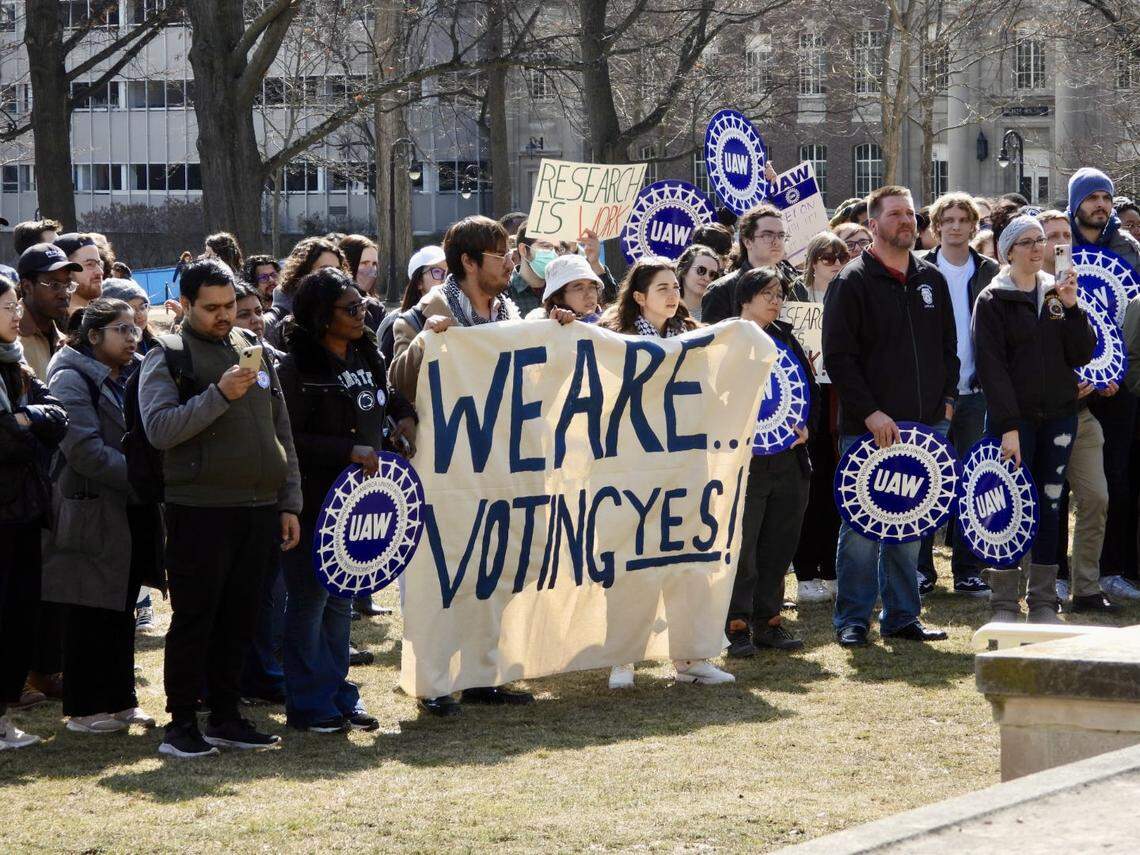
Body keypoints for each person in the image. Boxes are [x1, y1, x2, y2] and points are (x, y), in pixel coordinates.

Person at [391, 215, 559, 714]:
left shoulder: (513, 314)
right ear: (467, 262)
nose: (512, 263)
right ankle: (435, 681)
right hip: (450, 475)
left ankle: (485, 673)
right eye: (500, 255)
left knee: (502, 567)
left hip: (507, 466)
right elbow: (395, 385)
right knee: (449, 572)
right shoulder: (421, 317)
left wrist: (558, 333)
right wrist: (426, 344)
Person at [138, 258, 302, 758]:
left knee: (241, 618)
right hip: (199, 509)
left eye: (231, 305)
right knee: (195, 618)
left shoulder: (253, 350)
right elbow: (161, 429)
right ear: (185, 306)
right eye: (211, 308)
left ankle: (227, 716)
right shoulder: (166, 356)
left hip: (258, 507)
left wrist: (289, 500)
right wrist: (219, 394)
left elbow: (281, 431)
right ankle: (182, 723)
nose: (225, 316)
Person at [277, 268, 416, 732]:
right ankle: (308, 702)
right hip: (313, 499)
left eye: (363, 306)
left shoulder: (366, 352)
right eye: (350, 309)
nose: (362, 314)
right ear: (320, 315)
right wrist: (346, 450)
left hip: (358, 502)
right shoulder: (295, 367)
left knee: (339, 600)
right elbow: (288, 436)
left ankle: (339, 694)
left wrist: (402, 418)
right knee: (309, 602)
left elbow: (385, 394)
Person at [822, 185, 958, 647]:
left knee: (911, 525)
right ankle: (853, 619)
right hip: (869, 429)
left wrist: (947, 402)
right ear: (873, 224)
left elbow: (948, 348)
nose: (907, 221)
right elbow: (840, 359)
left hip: (925, 427)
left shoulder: (931, 279)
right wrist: (871, 412)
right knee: (861, 529)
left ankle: (902, 616)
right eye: (895, 214)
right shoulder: (851, 282)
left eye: (910, 214)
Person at [597, 258, 732, 685]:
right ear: (639, 297)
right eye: (663, 288)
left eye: (676, 286)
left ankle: (690, 658)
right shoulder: (611, 339)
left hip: (684, 467)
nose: (674, 294)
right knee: (630, 559)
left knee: (687, 561)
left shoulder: (692, 337)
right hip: (631, 469)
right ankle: (624, 657)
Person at [43, 298, 162, 733]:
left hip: (125, 510)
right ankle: (85, 709)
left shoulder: (130, 372)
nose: (133, 338)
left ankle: (121, 701)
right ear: (94, 336)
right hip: (89, 510)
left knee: (120, 609)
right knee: (88, 611)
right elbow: (84, 451)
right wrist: (145, 477)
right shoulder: (70, 377)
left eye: (134, 329)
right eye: (121, 330)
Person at [972, 215, 1095, 623]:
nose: (1036, 247)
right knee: (1007, 505)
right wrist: (1008, 426)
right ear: (1009, 251)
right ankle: (1004, 601)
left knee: (1051, 504)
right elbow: (992, 368)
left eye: (1040, 240)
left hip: (1059, 416)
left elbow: (1081, 353)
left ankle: (1043, 600)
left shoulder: (1057, 295)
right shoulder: (994, 299)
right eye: (1026, 242)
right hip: (1015, 421)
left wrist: (1074, 306)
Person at [726, 268, 817, 655]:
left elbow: (805, 388)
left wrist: (805, 428)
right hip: (745, 463)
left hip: (788, 457)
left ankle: (769, 621)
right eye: (766, 293)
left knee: (779, 544)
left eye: (778, 293)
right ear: (744, 299)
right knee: (744, 548)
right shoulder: (727, 340)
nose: (775, 300)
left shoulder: (786, 336)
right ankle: (737, 626)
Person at [915, 192, 1000, 597]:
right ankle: (921, 570)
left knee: (971, 481)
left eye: (962, 219)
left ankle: (968, 570)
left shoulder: (991, 271)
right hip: (930, 394)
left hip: (978, 392)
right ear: (936, 227)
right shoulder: (917, 269)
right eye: (946, 219)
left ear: (973, 225)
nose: (954, 226)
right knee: (926, 482)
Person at [0, 276, 68, 749]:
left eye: (15, 304)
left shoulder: (16, 363)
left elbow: (57, 414)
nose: (16, 313)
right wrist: (24, 425)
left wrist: (25, 420)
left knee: (19, 616)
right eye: (6, 306)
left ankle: (3, 719)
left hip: (24, 510)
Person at [1068, 170, 1140, 607]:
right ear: (1076, 202)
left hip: (1120, 383)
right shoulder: (1055, 244)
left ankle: (1112, 570)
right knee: (1058, 480)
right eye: (1092, 197)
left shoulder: (1129, 249)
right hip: (1068, 382)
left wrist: (1118, 374)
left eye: (1105, 198)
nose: (1100, 205)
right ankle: (1057, 574)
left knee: (1117, 479)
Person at [1037, 211, 1115, 611]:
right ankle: (1038, 589)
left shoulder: (1084, 289)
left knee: (1096, 497)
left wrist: (1102, 377)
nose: (1060, 243)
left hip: (1082, 415)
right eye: (1052, 236)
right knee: (1041, 505)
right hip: (1038, 418)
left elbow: (1098, 348)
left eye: (1066, 235)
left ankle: (1085, 588)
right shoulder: (1016, 290)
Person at [786, 232, 848, 604]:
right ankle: (806, 572)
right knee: (812, 486)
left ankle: (833, 569)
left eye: (841, 257)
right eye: (827, 258)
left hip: (841, 399)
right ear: (812, 262)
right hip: (808, 398)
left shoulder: (852, 295)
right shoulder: (794, 298)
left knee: (837, 488)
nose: (836, 264)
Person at [701, 204, 796, 324]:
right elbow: (715, 341)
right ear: (747, 242)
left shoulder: (795, 286)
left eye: (781, 235)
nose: (776, 241)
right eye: (767, 235)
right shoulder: (721, 290)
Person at [510, 224, 616, 317]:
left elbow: (613, 305)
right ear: (523, 250)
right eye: (546, 246)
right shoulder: (505, 294)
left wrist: (594, 263)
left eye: (557, 249)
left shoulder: (566, 284)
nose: (554, 254)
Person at [264, 237, 346, 349]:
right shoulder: (272, 324)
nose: (334, 276)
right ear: (302, 274)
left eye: (338, 270)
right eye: (325, 270)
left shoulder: (345, 317)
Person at [17, 243, 82, 380]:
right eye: (55, 285)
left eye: (68, 285)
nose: (64, 294)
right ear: (27, 287)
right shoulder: (9, 341)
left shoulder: (64, 341)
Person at [527, 254, 604, 321]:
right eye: (579, 288)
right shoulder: (538, 324)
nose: (589, 294)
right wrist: (554, 328)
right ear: (557, 298)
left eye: (592, 287)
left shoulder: (610, 323)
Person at [338, 234, 385, 332]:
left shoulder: (375, 309)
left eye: (374, 264)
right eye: (364, 263)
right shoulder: (332, 306)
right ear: (348, 264)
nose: (371, 269)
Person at [100, 279, 155, 357]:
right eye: (132, 309)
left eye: (142, 307)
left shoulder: (153, 341)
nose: (140, 314)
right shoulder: (113, 353)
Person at [55, 233, 104, 316]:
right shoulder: (51, 324)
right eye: (90, 264)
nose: (100, 272)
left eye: (99, 264)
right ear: (66, 270)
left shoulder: (102, 318)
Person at [676, 244, 722, 321]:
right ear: (684, 271)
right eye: (701, 270)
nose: (707, 278)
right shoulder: (666, 308)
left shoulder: (720, 313)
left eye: (713, 274)